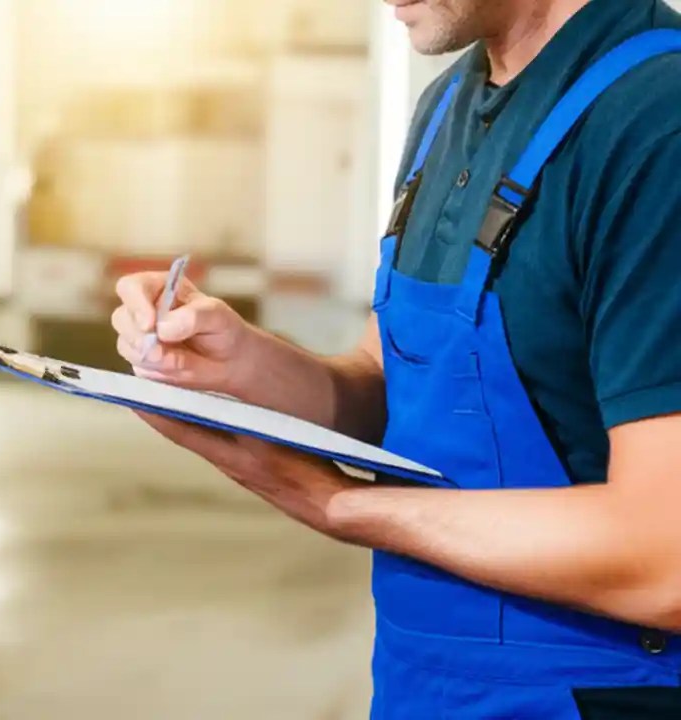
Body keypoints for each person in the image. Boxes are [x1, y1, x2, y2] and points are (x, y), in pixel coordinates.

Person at [111, 0, 681, 716]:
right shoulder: (447, 108)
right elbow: (393, 383)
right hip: (423, 687)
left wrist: (342, 505)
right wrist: (240, 363)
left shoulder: (658, 125)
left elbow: (666, 559)